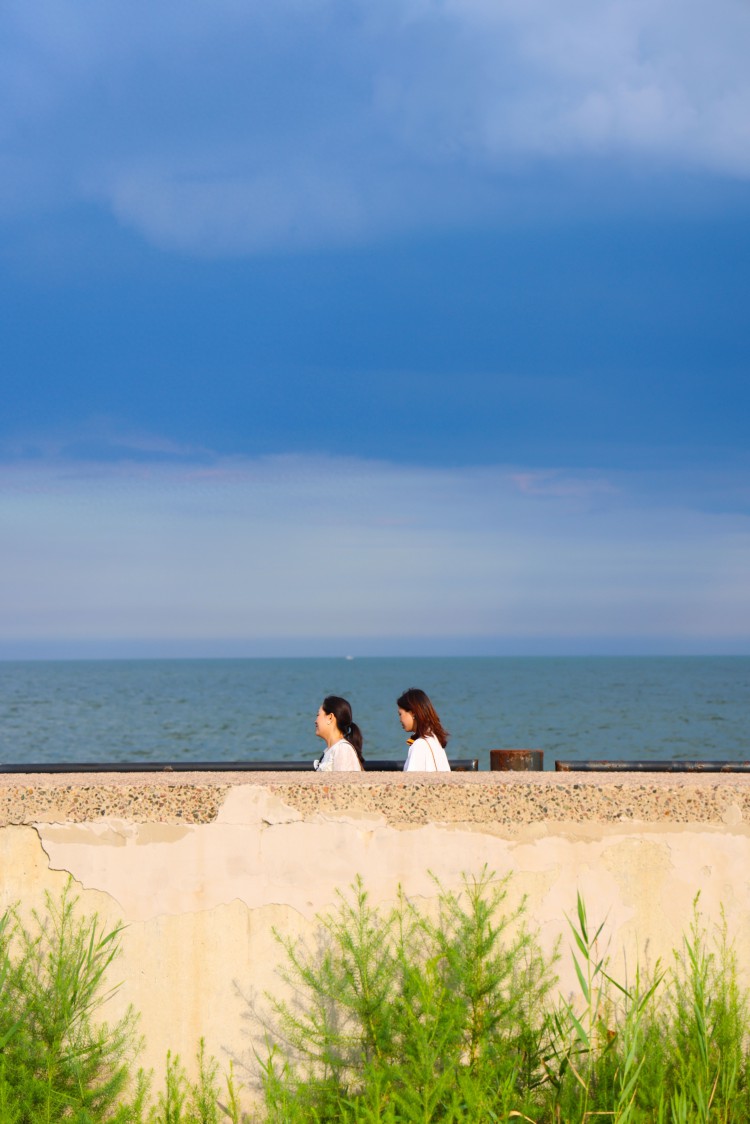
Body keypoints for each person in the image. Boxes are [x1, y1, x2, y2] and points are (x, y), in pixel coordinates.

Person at [397, 688, 451, 772]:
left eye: (400, 714)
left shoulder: (419, 745)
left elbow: (411, 781)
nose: (400, 719)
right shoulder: (434, 738)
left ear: (413, 713)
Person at [313, 695, 365, 771]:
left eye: (318, 715)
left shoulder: (342, 749)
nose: (315, 721)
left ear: (330, 717)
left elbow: (344, 782)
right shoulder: (332, 750)